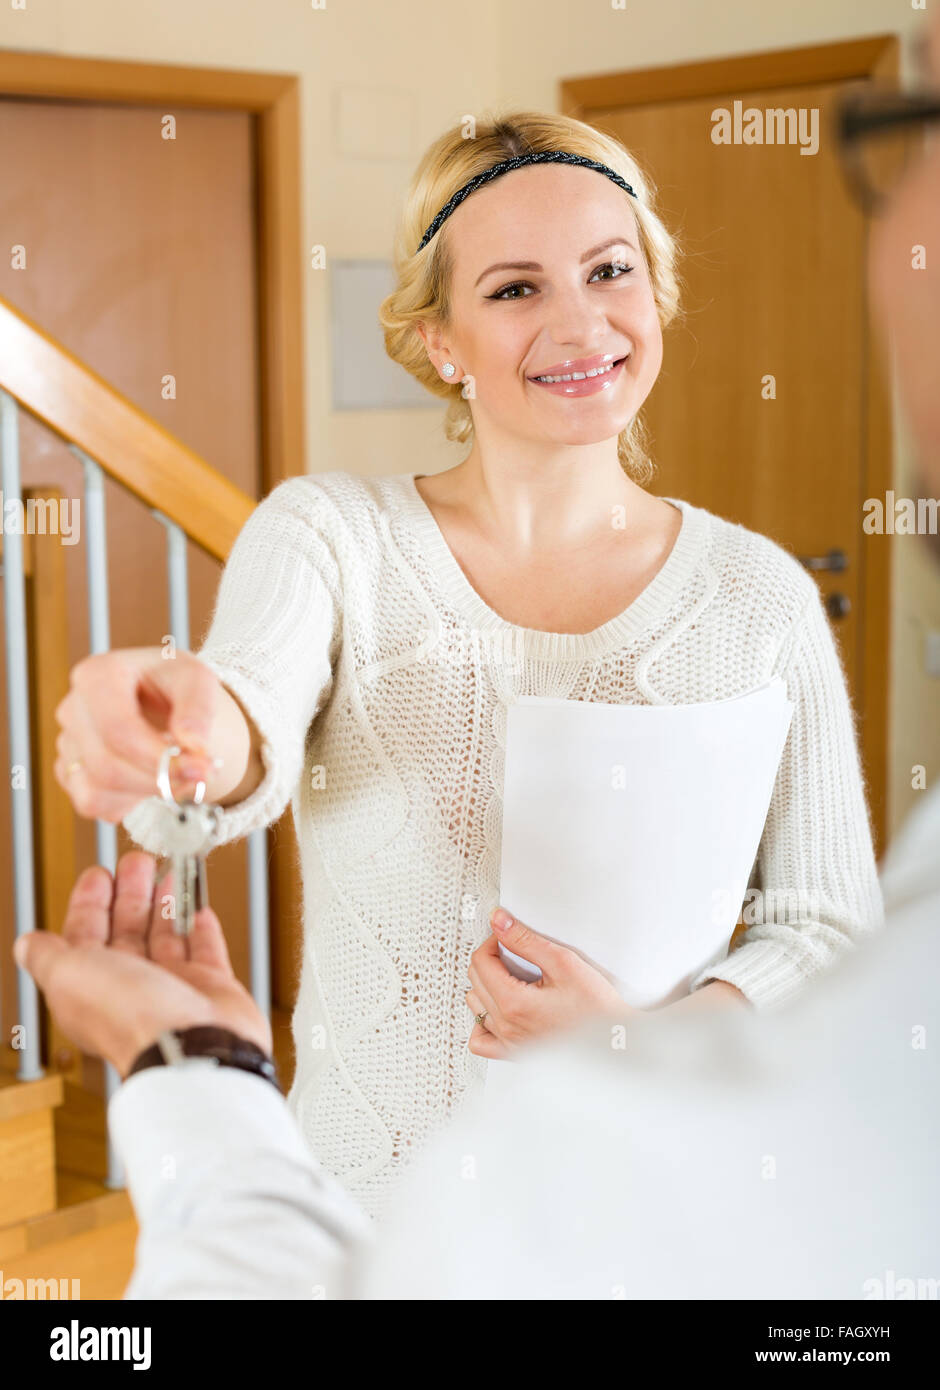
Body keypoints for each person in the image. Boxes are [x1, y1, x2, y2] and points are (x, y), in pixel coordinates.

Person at [15, 10, 940, 1300]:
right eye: (515, 289)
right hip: (361, 1214)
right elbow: (244, 731)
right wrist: (187, 736)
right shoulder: (331, 535)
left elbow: (826, 920)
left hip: (656, 1222)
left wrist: (650, 1042)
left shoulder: (761, 598)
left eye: (612, 271)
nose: (581, 321)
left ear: (656, 294)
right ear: (440, 338)